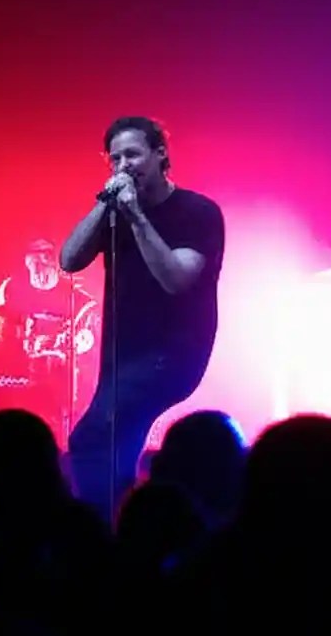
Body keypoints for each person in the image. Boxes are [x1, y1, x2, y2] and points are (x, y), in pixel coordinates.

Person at [60, 116, 225, 522]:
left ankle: (101, 530)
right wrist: (105, 204)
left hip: (174, 351)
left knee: (92, 438)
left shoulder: (197, 212)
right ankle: (131, 526)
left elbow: (176, 279)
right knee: (120, 444)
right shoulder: (113, 213)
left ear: (160, 155)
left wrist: (136, 216)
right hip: (122, 352)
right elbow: (68, 261)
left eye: (132, 154)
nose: (123, 165)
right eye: (114, 158)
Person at [0, 238, 100, 436]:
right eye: (36, 253)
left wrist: (77, 343)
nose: (42, 259)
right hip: (15, 373)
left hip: (59, 377)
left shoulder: (78, 299)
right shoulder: (10, 289)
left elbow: (89, 339)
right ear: (26, 260)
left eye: (47, 254)